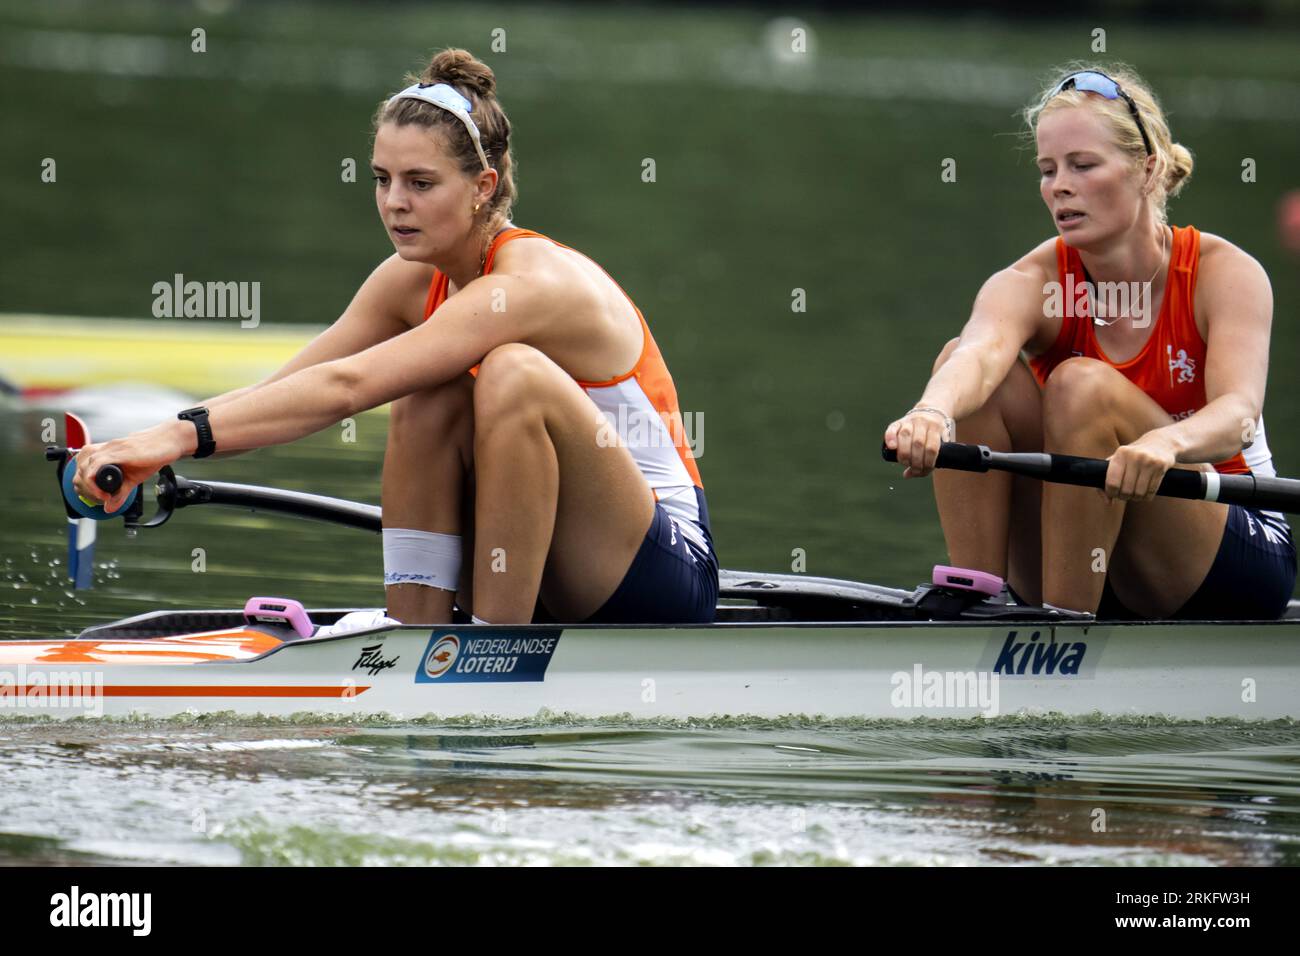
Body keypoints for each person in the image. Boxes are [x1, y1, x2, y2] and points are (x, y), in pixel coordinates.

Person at [73, 48, 718, 626]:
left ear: (482, 189)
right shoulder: (409, 283)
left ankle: (491, 652)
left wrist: (172, 438)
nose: (393, 203)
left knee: (509, 372)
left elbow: (348, 387)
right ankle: (417, 637)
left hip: (660, 569)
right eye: (382, 179)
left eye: (420, 183)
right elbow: (289, 393)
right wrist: (144, 449)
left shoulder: (532, 282)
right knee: (428, 389)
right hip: (548, 560)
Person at [883, 65, 1295, 619]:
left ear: (1147, 170)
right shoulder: (1033, 282)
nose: (1060, 187)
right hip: (1099, 546)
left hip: (1232, 541)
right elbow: (980, 354)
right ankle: (973, 595)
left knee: (1082, 388)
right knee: (964, 371)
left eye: (1082, 165)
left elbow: (1238, 415)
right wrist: (931, 412)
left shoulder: (1224, 274)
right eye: (1047, 170)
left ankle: (1066, 635)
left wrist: (1166, 445)